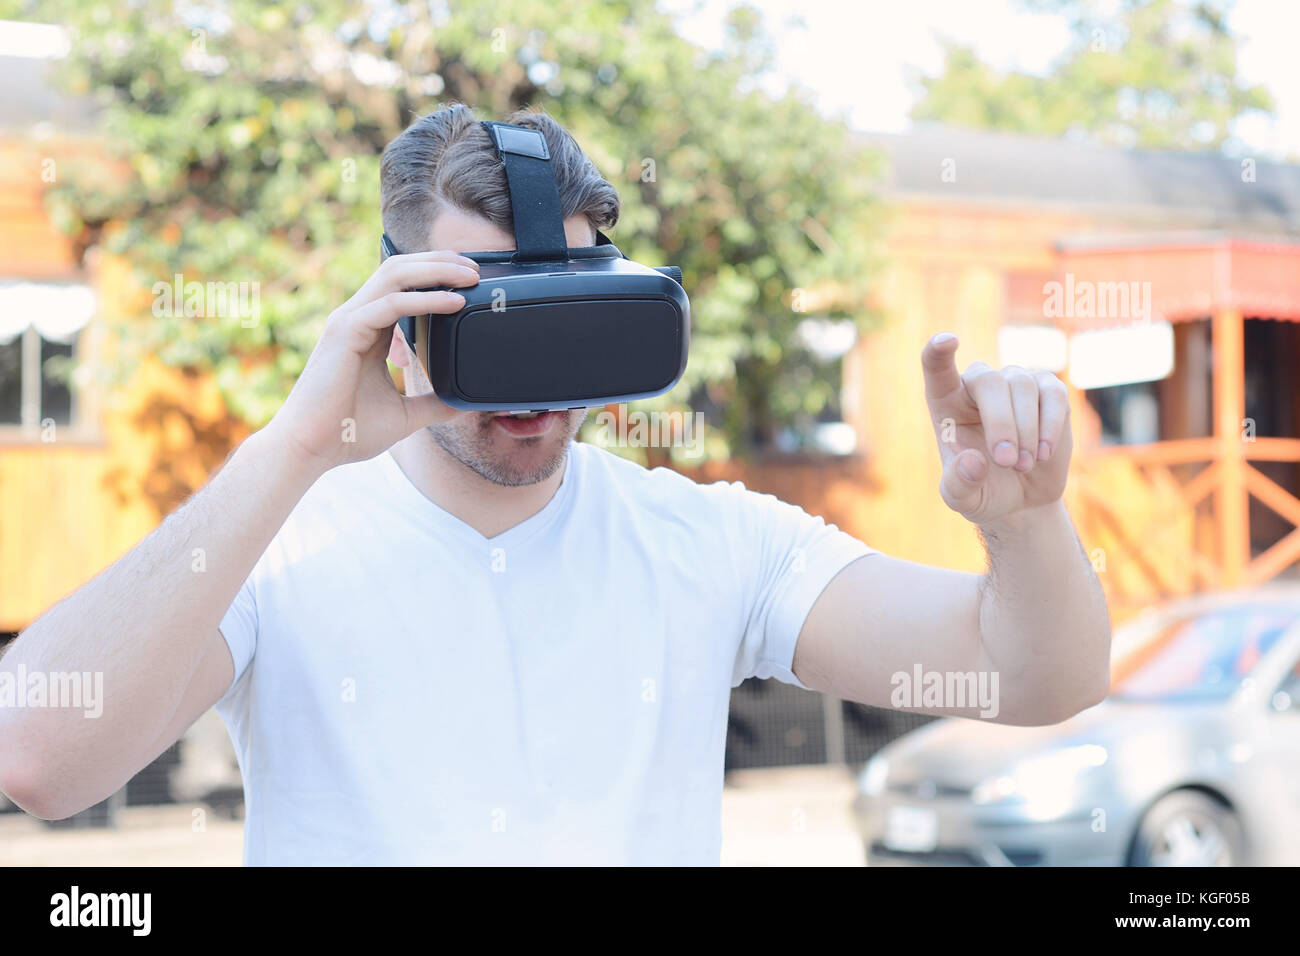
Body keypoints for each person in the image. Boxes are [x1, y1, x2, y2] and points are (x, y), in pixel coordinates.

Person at [0, 104, 1110, 865]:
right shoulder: (277, 544)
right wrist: (296, 442)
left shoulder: (708, 540)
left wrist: (1024, 523)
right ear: (394, 313)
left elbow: (1030, 677)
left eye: (561, 314)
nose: (529, 378)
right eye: (480, 315)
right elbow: (38, 758)